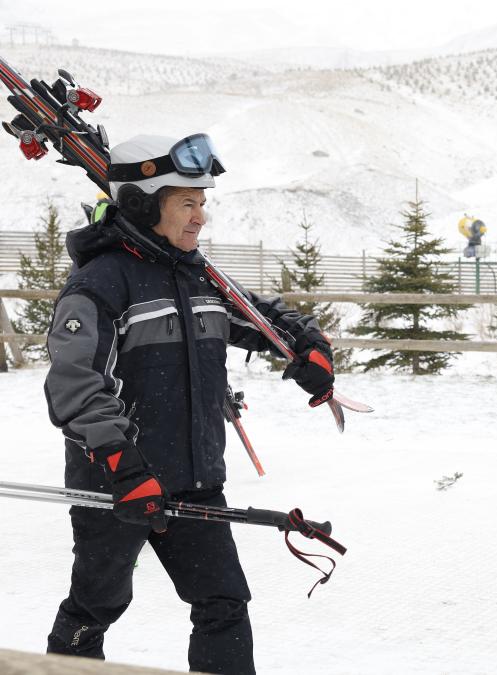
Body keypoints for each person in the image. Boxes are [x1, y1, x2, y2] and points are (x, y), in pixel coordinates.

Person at [42, 133, 336, 674]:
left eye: (203, 203)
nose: (201, 217)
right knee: (97, 605)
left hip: (195, 478)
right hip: (119, 481)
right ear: (141, 203)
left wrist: (308, 344)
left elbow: (259, 316)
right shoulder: (100, 284)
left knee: (224, 602)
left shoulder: (196, 275)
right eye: (187, 203)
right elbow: (75, 383)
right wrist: (122, 465)